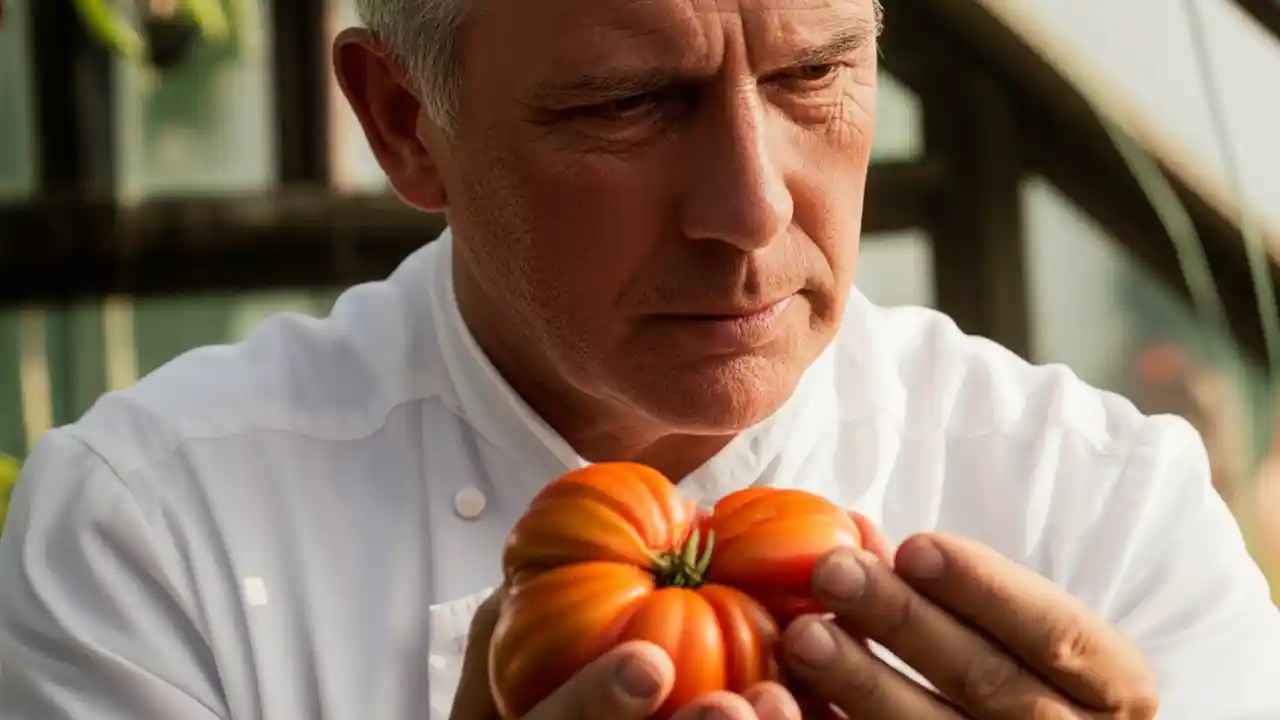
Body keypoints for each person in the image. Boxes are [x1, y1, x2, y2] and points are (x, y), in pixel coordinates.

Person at [1, 0, 1278, 717]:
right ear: (405, 122)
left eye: (815, 72)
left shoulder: (1094, 506)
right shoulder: (156, 533)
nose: (753, 207)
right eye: (624, 102)